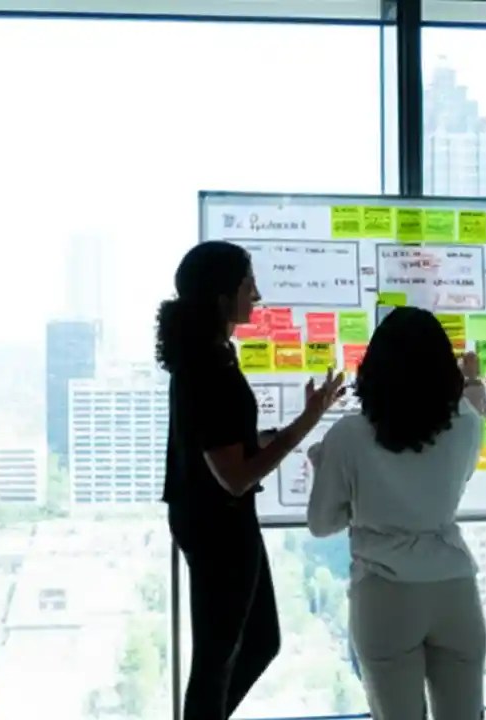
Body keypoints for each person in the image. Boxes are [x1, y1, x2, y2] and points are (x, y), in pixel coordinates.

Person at [157, 241, 345, 720]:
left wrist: (298, 422)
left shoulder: (214, 354)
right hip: (218, 526)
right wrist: (308, 422)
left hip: (217, 522)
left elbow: (229, 446)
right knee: (217, 661)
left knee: (259, 642)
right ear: (223, 296)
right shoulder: (208, 367)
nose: (257, 294)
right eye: (247, 284)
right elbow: (236, 477)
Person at [306, 306, 486, 720]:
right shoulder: (467, 424)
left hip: (384, 593)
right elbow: (454, 485)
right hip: (455, 590)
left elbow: (323, 524)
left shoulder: (349, 436)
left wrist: (324, 467)